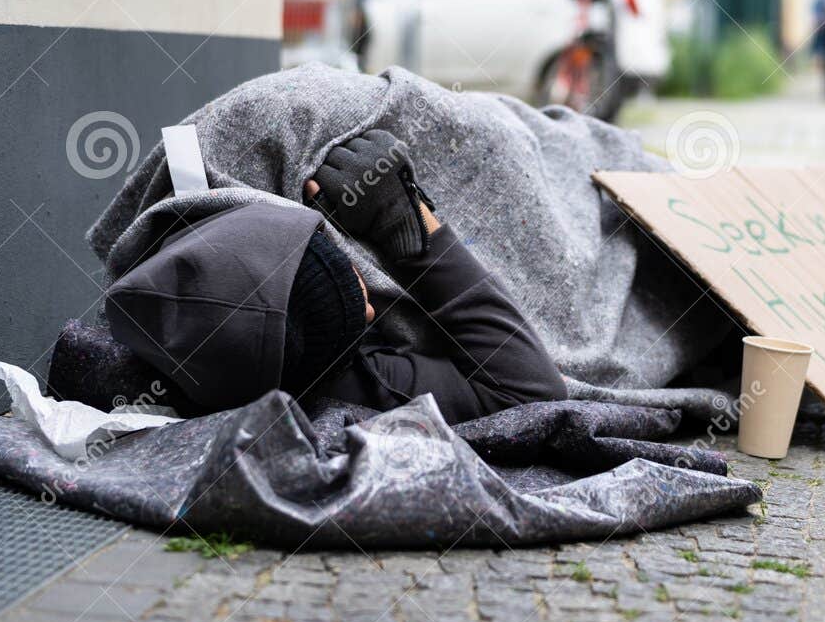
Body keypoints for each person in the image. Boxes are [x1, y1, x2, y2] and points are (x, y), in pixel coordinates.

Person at [105, 130, 568, 422]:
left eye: (349, 273)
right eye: (354, 325)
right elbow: (530, 390)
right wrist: (405, 222)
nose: (371, 308)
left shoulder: (231, 148)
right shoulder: (324, 379)